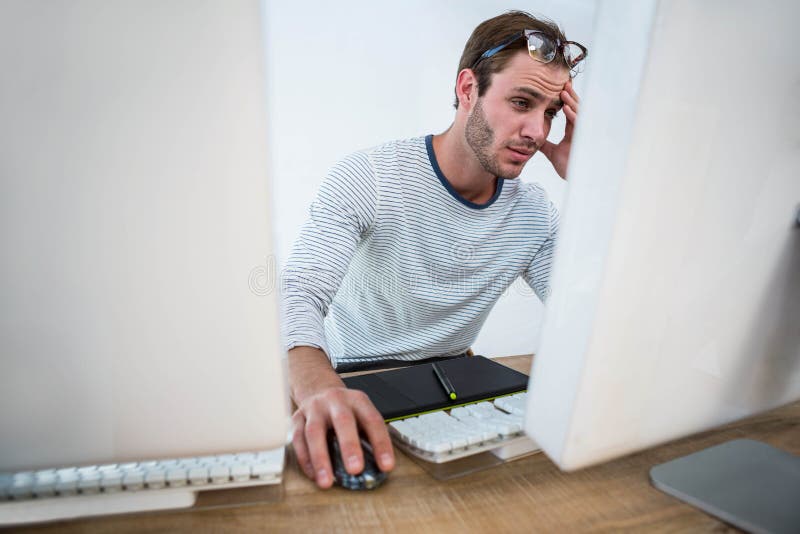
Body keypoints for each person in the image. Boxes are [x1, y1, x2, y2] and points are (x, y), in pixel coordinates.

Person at [282, 10, 586, 489]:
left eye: (550, 112)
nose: (537, 131)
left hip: (457, 389)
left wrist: (592, 182)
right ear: (468, 89)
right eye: (522, 102)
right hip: (350, 382)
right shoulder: (372, 178)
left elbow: (590, 316)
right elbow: (298, 292)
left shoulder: (535, 213)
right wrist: (320, 390)